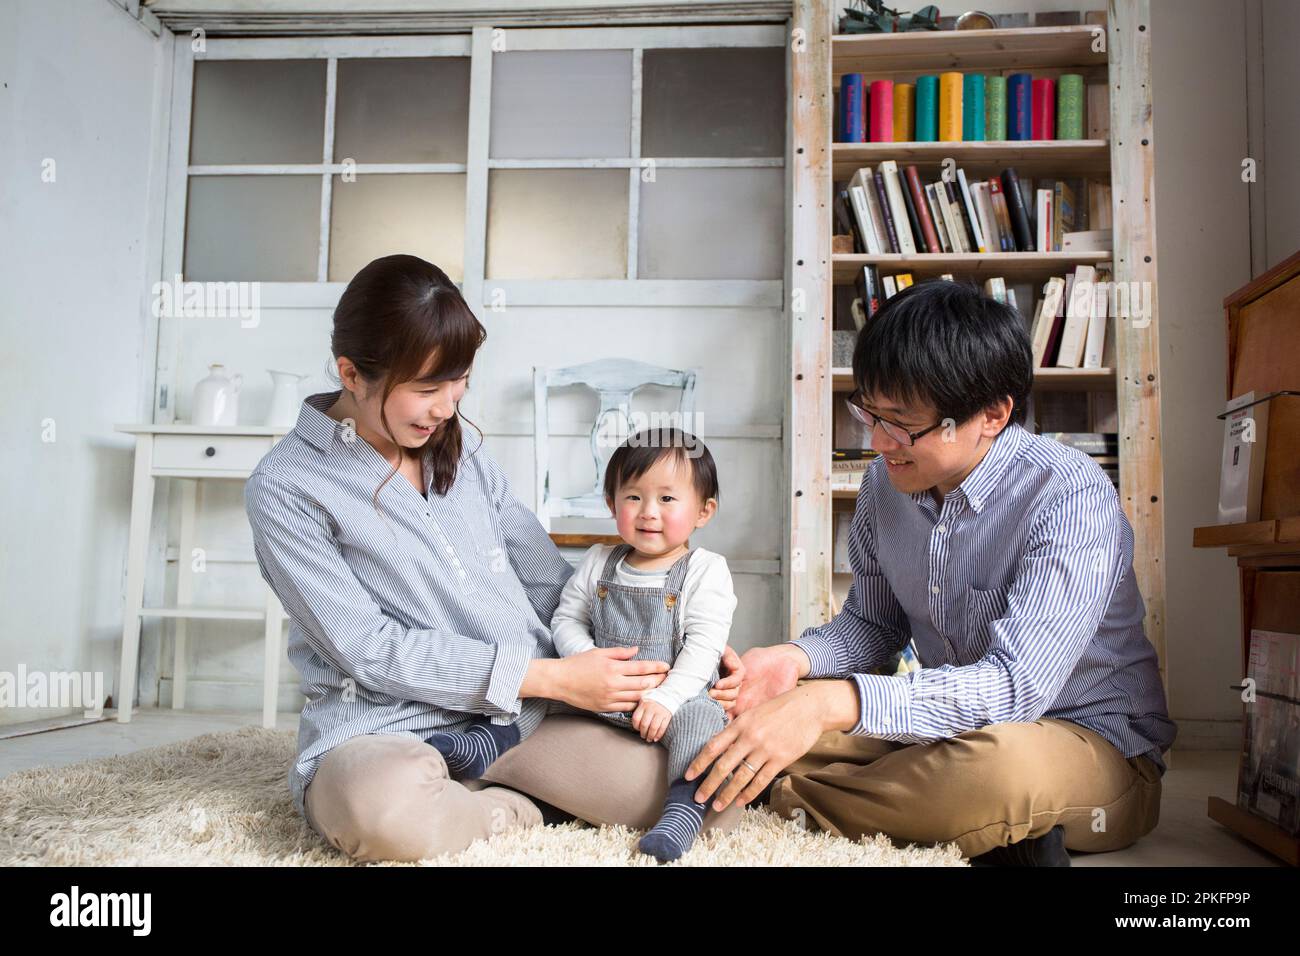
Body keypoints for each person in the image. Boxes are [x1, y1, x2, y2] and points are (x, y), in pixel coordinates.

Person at [243, 254, 744, 862]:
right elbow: (370, 650)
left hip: (516, 720)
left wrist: (676, 646)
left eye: (459, 384)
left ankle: (491, 795)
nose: (447, 407)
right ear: (352, 374)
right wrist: (549, 677)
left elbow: (551, 583)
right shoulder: (286, 485)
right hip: (386, 724)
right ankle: (519, 806)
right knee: (379, 809)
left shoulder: (463, 456)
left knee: (713, 800)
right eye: (427, 389)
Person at [683, 279, 1178, 867]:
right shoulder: (883, 485)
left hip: (1087, 741)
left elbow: (1015, 688)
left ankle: (762, 798)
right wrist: (795, 661)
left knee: (997, 772)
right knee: (750, 721)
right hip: (942, 725)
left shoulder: (1069, 494)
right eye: (869, 412)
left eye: (902, 423)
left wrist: (829, 706)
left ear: (992, 414)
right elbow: (872, 626)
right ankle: (907, 812)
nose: (878, 441)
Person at [427, 428, 736, 861]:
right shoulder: (598, 561)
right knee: (538, 685)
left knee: (703, 725)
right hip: (598, 691)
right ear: (612, 504)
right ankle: (487, 743)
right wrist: (583, 662)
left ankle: (683, 809)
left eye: (667, 499)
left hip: (672, 697)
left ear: (704, 511)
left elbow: (703, 649)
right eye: (633, 497)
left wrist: (666, 699)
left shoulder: (705, 571)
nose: (648, 512)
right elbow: (566, 619)